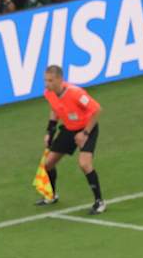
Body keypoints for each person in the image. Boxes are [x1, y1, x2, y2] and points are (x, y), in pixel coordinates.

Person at [40, 64, 106, 214]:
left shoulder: (76, 93)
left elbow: (97, 110)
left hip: (87, 128)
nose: (47, 84)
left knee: (84, 163)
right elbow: (54, 109)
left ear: (60, 79)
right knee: (48, 163)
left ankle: (100, 202)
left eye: (50, 81)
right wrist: (50, 131)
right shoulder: (49, 93)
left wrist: (85, 134)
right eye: (45, 80)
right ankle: (52, 196)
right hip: (69, 129)